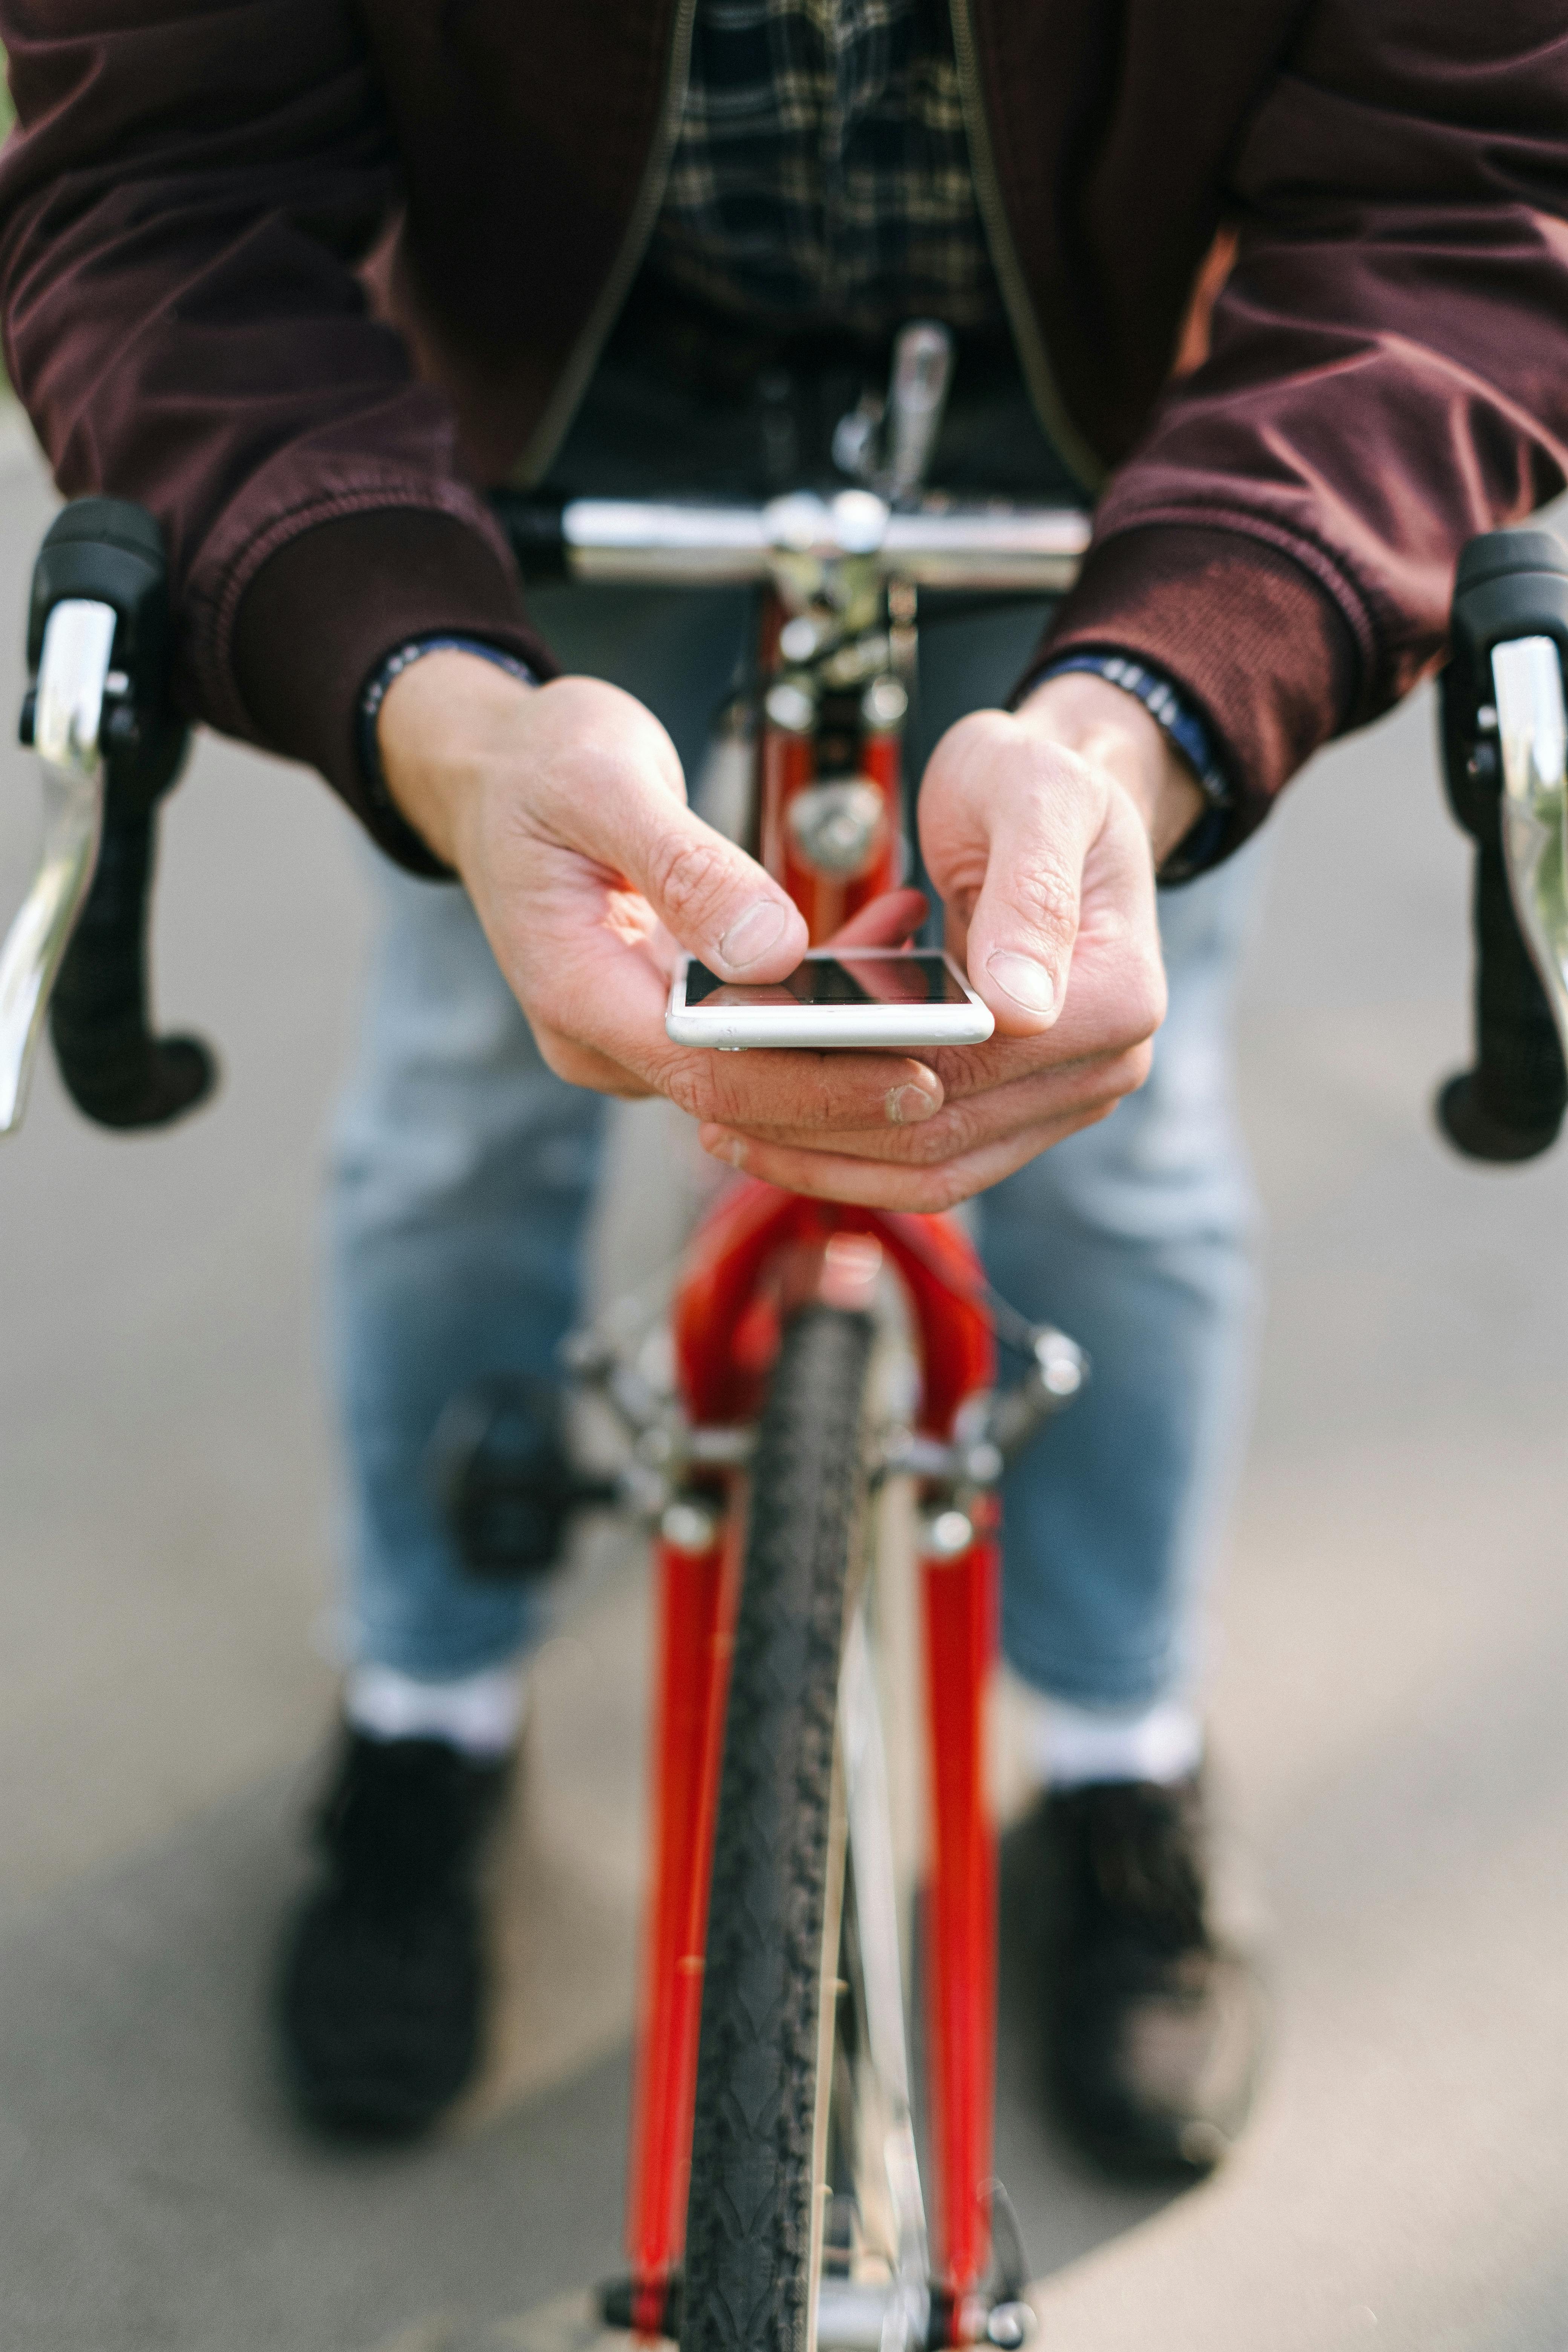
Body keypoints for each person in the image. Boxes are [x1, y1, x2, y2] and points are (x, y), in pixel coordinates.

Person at [0, 0, 1563, 2178]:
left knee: (1120, 1097)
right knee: (476, 1076)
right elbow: (158, 185)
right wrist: (435, 707)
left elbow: (1459, 195)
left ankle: (1123, 1740)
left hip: (1127, 420)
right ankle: (427, 1704)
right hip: (541, 386)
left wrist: (1155, 706)